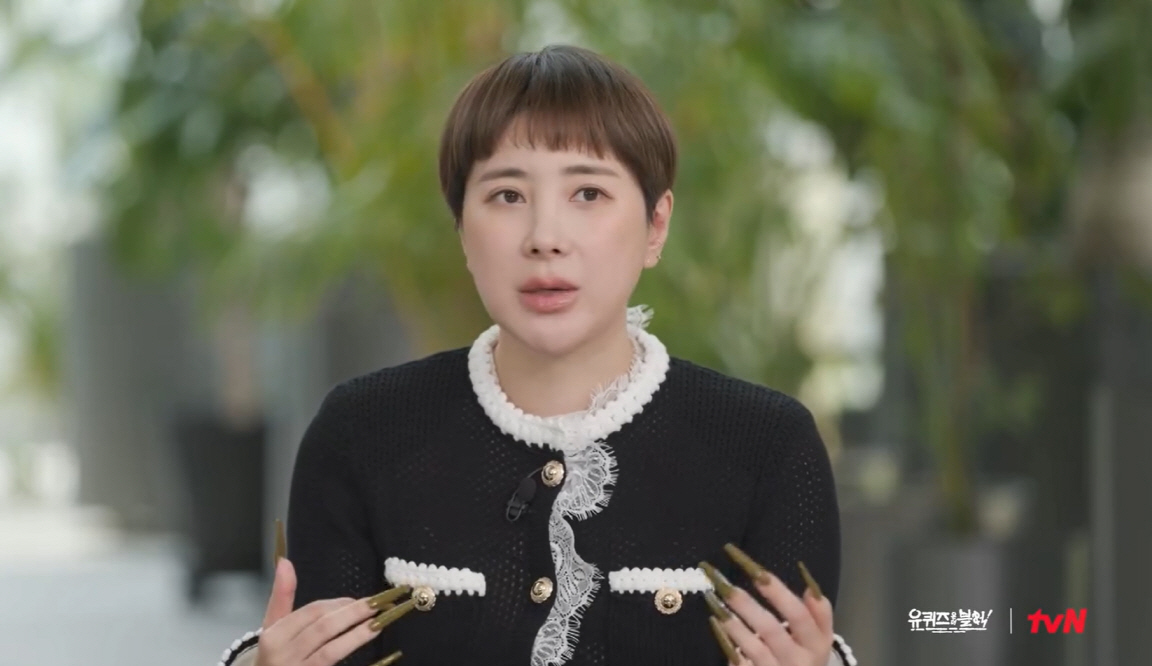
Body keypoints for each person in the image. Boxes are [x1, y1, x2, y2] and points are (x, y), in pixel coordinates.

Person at [218, 44, 858, 666]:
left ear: (656, 225)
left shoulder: (766, 447)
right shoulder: (362, 432)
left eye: (588, 194)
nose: (545, 238)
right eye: (507, 196)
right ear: (461, 228)